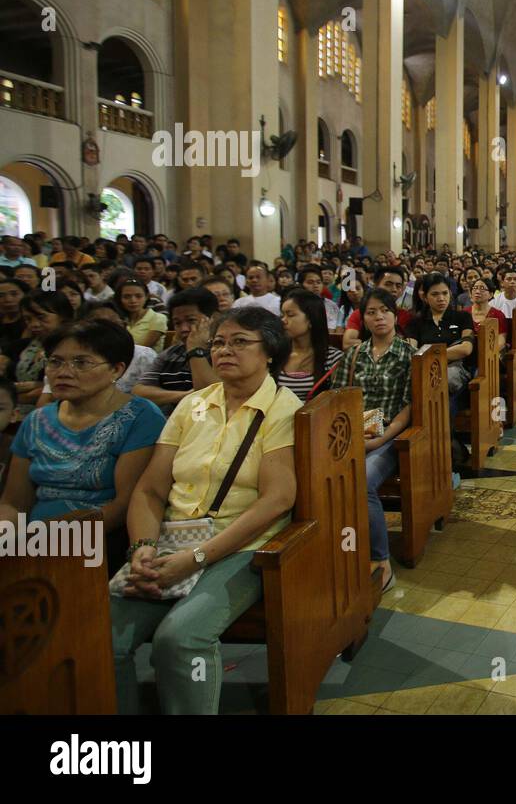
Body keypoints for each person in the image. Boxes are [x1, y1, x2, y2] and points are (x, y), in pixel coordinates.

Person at [111, 307, 300, 714]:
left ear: (270, 352)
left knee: (179, 639)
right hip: (173, 538)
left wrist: (196, 559)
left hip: (243, 547)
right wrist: (142, 547)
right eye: (217, 342)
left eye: (239, 342)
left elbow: (277, 499)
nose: (224, 350)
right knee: (102, 636)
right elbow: (150, 488)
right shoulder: (192, 405)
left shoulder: (284, 410)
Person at [0, 321, 164, 560]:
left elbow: (124, 504)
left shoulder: (141, 417)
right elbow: (15, 503)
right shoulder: (37, 420)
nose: (63, 372)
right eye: (55, 361)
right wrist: (7, 535)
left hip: (100, 541)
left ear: (116, 370)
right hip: (31, 542)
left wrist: (50, 540)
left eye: (81, 363)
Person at [331, 288, 412, 592]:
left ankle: (381, 563)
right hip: (351, 433)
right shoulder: (353, 355)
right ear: (363, 319)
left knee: (361, 480)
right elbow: (337, 400)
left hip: (390, 436)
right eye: (371, 312)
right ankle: (340, 551)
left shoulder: (407, 354)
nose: (379, 317)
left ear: (395, 314)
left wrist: (380, 439)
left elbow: (408, 408)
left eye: (385, 311)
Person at [132, 288, 219, 415]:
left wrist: (195, 350)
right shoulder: (170, 354)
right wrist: (184, 396)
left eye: (191, 320)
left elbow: (212, 396)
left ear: (212, 319)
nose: (183, 329)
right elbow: (139, 391)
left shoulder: (223, 353)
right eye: (177, 323)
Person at [407, 273, 475, 397]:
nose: (441, 298)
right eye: (435, 294)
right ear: (425, 297)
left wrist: (430, 356)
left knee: (439, 380)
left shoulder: (462, 317)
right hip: (425, 369)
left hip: (456, 369)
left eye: (445, 293)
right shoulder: (416, 322)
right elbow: (412, 352)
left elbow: (465, 349)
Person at [278, 288, 344, 402]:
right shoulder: (276, 354)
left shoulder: (332, 358)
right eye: (282, 315)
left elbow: (338, 402)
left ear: (310, 319)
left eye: (290, 315)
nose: (283, 320)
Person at [15, 291, 74, 417]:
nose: (34, 324)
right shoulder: (20, 346)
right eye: (28, 319)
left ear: (62, 316)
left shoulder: (74, 348)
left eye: (41, 317)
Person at [119, 279, 168, 353]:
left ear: (147, 297)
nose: (133, 300)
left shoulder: (158, 318)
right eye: (126, 297)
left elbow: (143, 350)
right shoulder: (120, 319)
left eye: (138, 296)